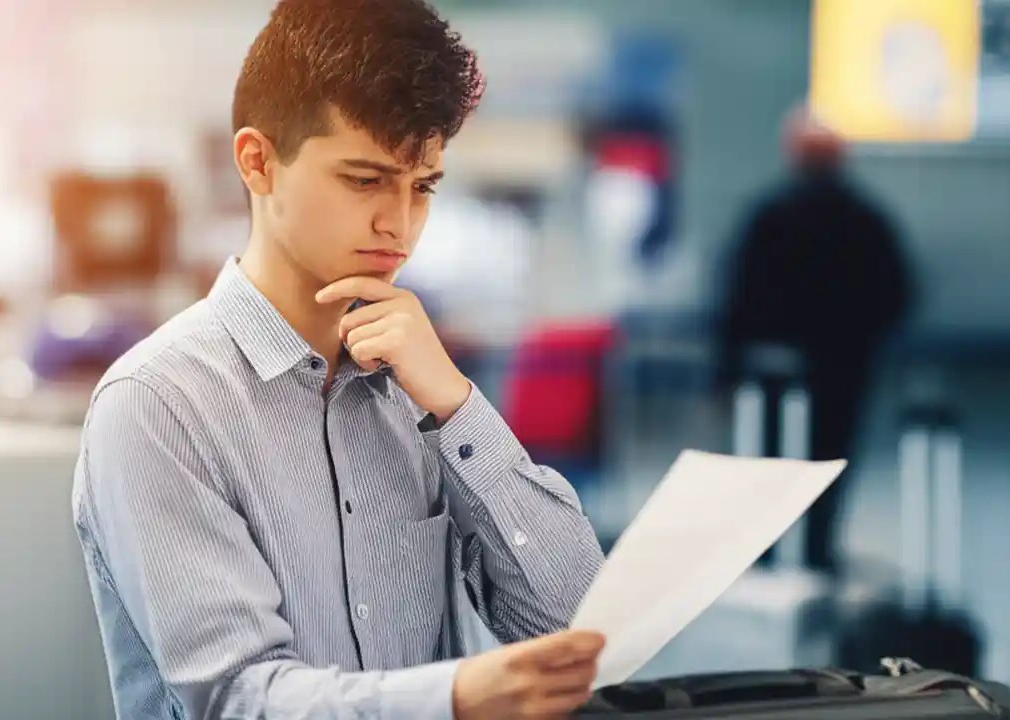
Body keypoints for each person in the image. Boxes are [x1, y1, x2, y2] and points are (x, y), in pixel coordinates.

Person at [72, 1, 608, 718]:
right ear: (258, 162)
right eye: (364, 180)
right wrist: (453, 698)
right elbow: (236, 698)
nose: (400, 223)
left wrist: (457, 406)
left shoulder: (416, 391)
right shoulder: (160, 404)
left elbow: (574, 629)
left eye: (421, 187)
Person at [718, 107, 913, 574]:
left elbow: (738, 296)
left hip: (770, 371)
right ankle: (817, 548)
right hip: (842, 366)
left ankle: (768, 551)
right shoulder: (865, 218)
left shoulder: (770, 215)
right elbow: (896, 292)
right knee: (828, 463)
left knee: (769, 462)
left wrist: (727, 367)